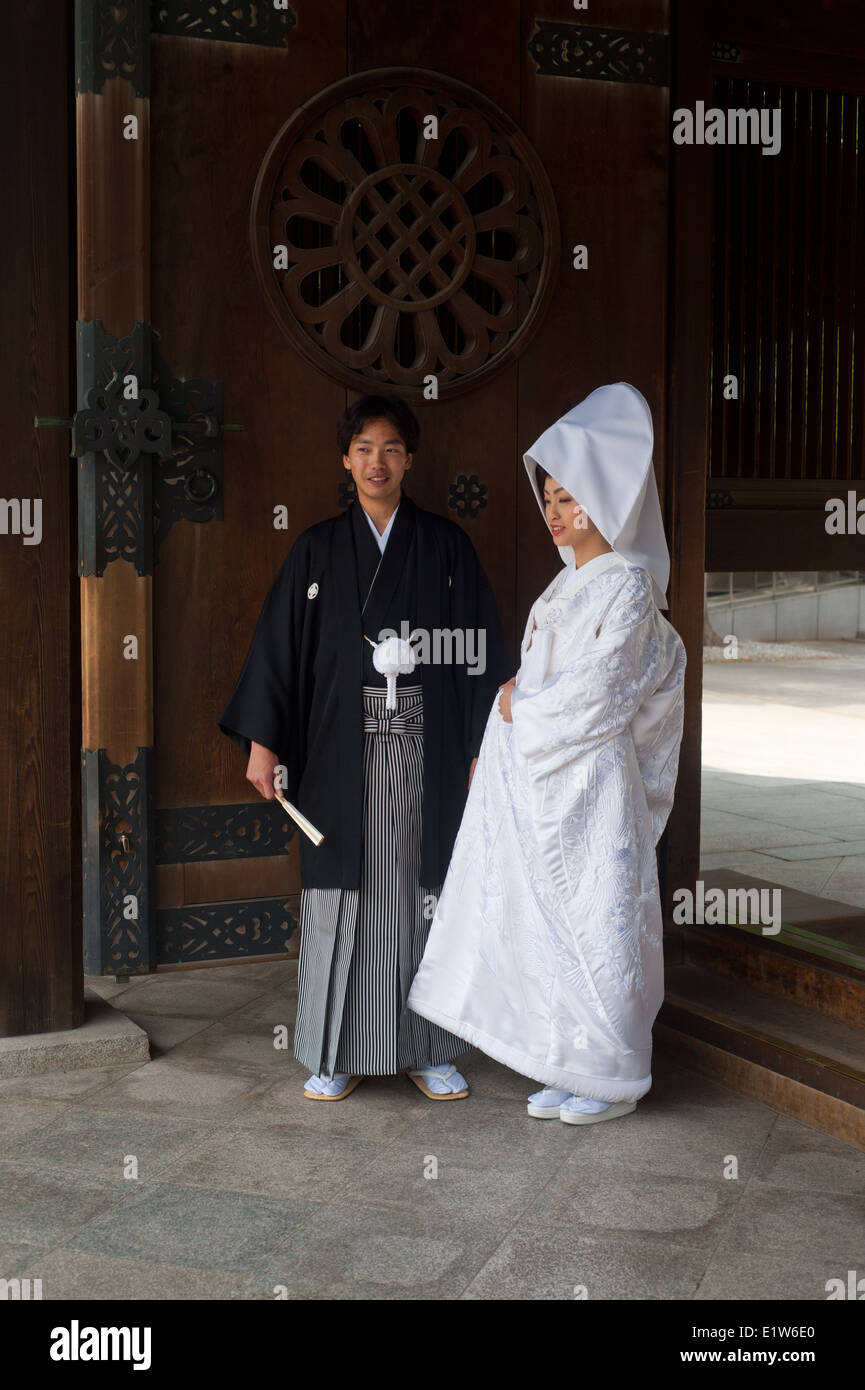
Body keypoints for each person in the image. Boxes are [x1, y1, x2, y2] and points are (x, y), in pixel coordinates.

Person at [407, 382, 687, 1125]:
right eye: (551, 500)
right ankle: (569, 1061)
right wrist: (517, 696)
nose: (557, 514)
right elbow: (539, 678)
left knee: (600, 921)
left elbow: (603, 690)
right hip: (544, 782)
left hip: (593, 785)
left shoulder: (626, 585)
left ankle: (611, 1075)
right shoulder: (564, 586)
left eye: (570, 498)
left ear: (605, 497)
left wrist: (515, 707)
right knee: (549, 923)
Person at [218, 394, 510, 1102]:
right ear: (344, 460)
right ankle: (333, 1051)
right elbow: (278, 654)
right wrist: (263, 742)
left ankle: (430, 1048)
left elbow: (480, 652)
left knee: (426, 899)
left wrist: (481, 746)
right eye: (363, 449)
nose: (376, 462)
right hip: (337, 755)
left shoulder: (445, 547)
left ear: (409, 460)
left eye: (390, 449)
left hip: (427, 750)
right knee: (339, 901)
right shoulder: (316, 549)